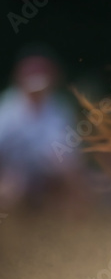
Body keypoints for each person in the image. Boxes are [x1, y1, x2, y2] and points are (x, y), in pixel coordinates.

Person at [0, 53, 83, 211]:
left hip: (49, 172)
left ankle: (73, 221)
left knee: (72, 179)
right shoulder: (6, 109)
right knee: (11, 190)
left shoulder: (60, 107)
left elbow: (69, 152)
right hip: (15, 171)